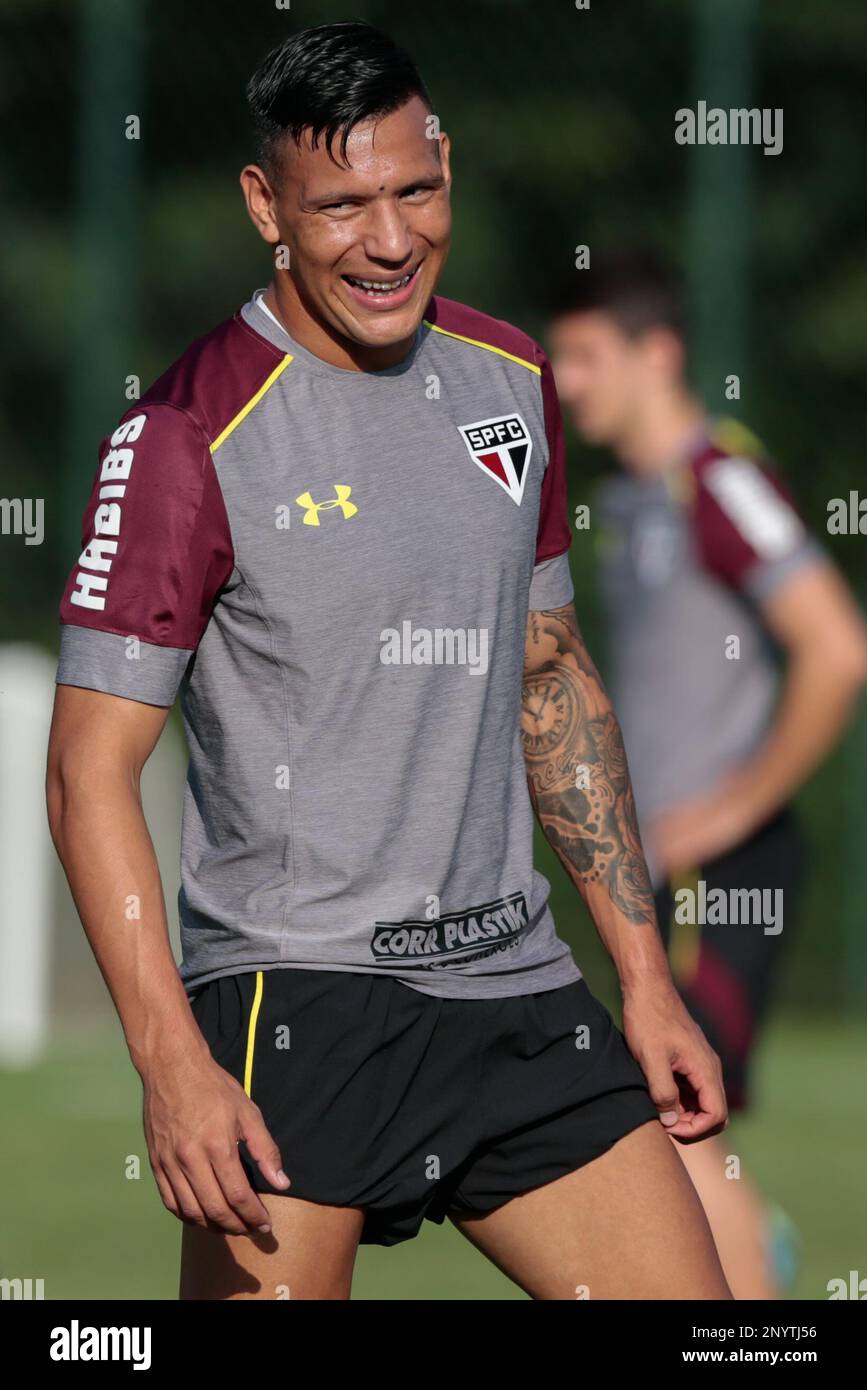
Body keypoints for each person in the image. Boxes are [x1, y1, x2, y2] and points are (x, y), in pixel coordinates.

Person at [46, 25, 732, 1302]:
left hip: (518, 987)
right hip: (301, 1011)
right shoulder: (187, 433)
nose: (390, 239)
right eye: (342, 206)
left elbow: (549, 677)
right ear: (266, 206)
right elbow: (89, 772)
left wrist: (643, 978)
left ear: (448, 166)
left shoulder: (514, 380)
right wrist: (172, 1062)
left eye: (416, 191)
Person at [547, 248, 867, 1299]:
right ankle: (750, 1244)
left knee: (666, 1113)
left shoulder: (717, 482)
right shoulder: (631, 501)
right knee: (669, 1122)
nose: (568, 379)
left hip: (726, 866)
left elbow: (838, 647)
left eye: (588, 355)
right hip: (657, 874)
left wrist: (729, 807)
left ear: (660, 352)